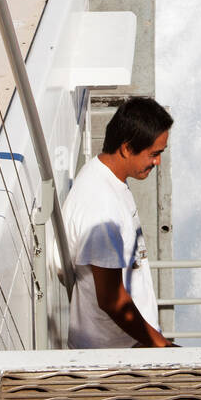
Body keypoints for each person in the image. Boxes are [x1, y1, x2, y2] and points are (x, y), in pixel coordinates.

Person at [63, 96, 174, 349]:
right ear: (126, 148)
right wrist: (162, 347)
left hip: (131, 343)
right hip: (113, 354)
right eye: (154, 154)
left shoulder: (106, 177)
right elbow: (111, 300)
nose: (157, 162)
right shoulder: (100, 208)